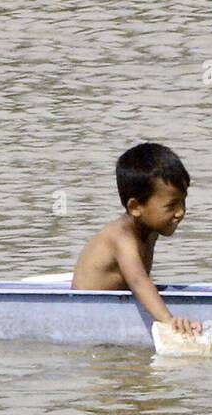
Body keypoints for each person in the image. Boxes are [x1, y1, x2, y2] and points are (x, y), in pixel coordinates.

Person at [72, 141, 202, 336]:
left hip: (113, 306)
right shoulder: (121, 238)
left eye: (183, 201)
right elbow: (139, 281)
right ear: (135, 207)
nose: (181, 212)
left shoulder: (150, 228)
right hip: (81, 314)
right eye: (171, 205)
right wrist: (168, 321)